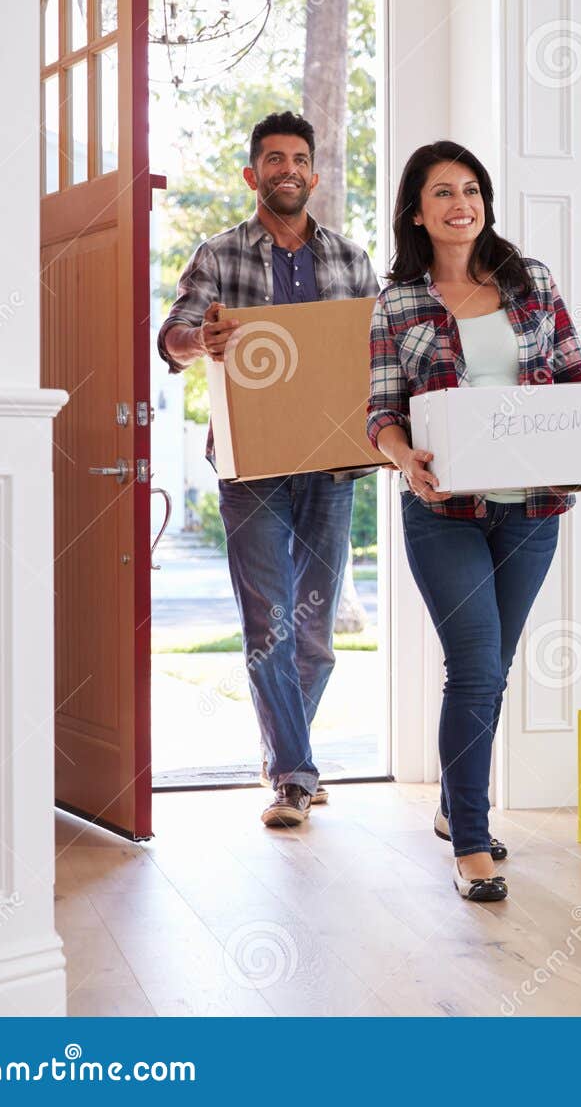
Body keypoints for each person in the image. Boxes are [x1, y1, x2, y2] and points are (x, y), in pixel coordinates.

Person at [367, 141, 581, 902]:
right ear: (417, 213)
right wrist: (403, 457)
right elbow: (381, 410)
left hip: (532, 509)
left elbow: (577, 378)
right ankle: (473, 845)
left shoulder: (529, 281)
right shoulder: (398, 301)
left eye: (472, 189)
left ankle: (456, 804)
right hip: (443, 509)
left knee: (494, 670)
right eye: (443, 192)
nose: (462, 204)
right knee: (475, 669)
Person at [158, 111, 380, 828]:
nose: (289, 169)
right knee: (269, 625)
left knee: (314, 636)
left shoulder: (350, 260)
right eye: (274, 159)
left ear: (314, 174)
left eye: (300, 159)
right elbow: (171, 336)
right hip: (250, 464)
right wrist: (202, 338)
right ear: (253, 175)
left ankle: (289, 754)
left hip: (332, 464)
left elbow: (374, 352)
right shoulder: (219, 253)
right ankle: (294, 776)